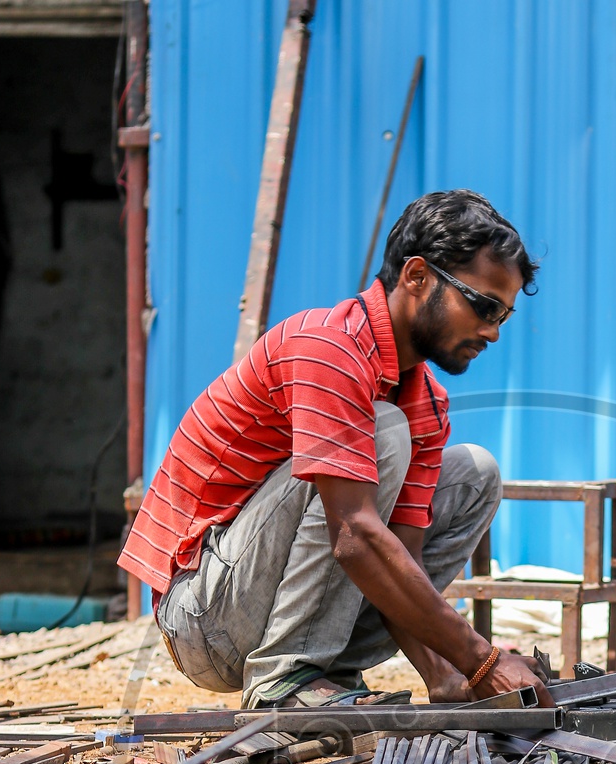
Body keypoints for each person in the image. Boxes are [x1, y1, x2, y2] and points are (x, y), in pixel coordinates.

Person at [119, 189, 553, 709]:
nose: (492, 331)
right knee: (382, 432)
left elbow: (401, 559)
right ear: (416, 277)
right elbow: (356, 537)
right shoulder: (328, 347)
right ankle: (286, 679)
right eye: (483, 306)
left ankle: (328, 672)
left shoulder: (427, 403)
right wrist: (483, 658)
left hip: (268, 605)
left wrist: (450, 674)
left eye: (502, 316)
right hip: (204, 617)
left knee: (476, 473)